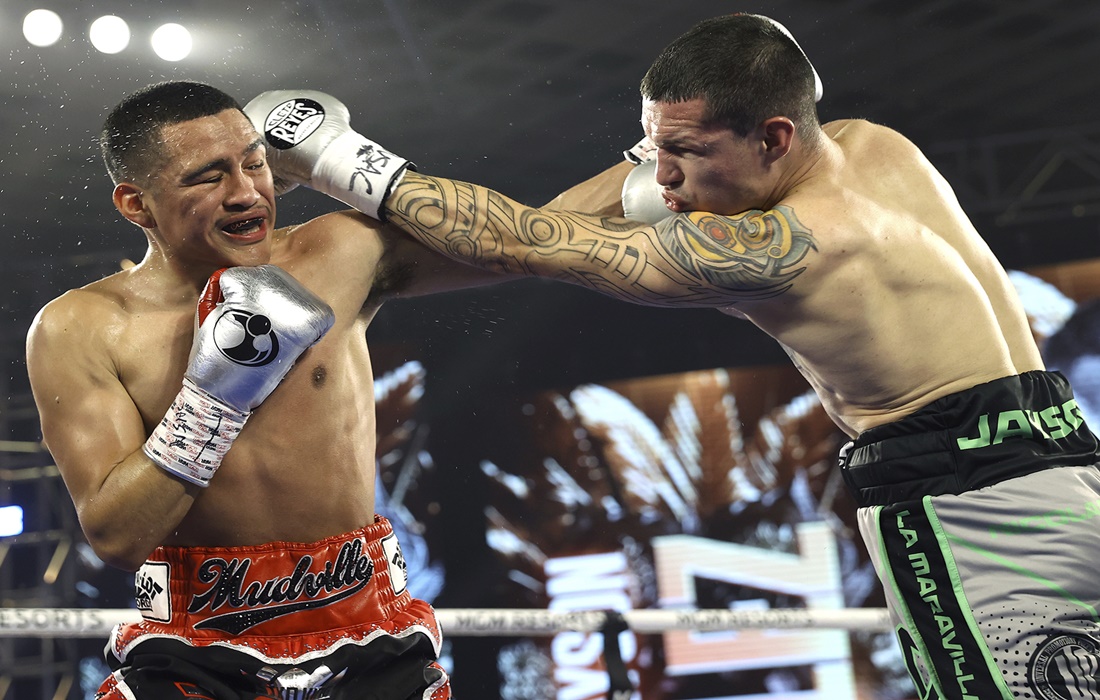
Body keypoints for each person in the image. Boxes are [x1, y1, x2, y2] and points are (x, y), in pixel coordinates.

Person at [241, 13, 1100, 700]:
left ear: (771, 139)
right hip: (1062, 465)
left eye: (687, 153)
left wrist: (330, 154)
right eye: (657, 145)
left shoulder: (785, 246)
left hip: (966, 507)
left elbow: (525, 245)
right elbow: (572, 214)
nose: (667, 175)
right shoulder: (870, 145)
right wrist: (389, 273)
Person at [24, 80, 506, 699]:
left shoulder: (336, 252)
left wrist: (646, 168)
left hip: (366, 627)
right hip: (196, 644)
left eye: (255, 163)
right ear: (135, 204)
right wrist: (216, 395)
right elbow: (118, 537)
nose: (246, 192)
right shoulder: (80, 327)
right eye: (209, 176)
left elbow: (522, 242)